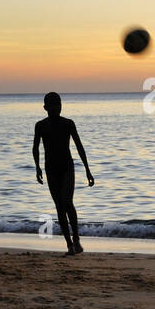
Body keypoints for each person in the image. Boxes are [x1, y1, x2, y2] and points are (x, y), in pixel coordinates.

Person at [33, 93, 94, 255]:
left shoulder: (68, 124)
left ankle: (76, 239)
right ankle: (69, 245)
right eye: (51, 106)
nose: (55, 108)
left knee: (67, 202)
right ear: (45, 108)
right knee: (59, 207)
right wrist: (37, 167)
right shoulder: (40, 126)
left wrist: (87, 169)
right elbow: (35, 148)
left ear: (61, 106)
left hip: (67, 167)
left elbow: (79, 146)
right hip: (51, 169)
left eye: (57, 105)